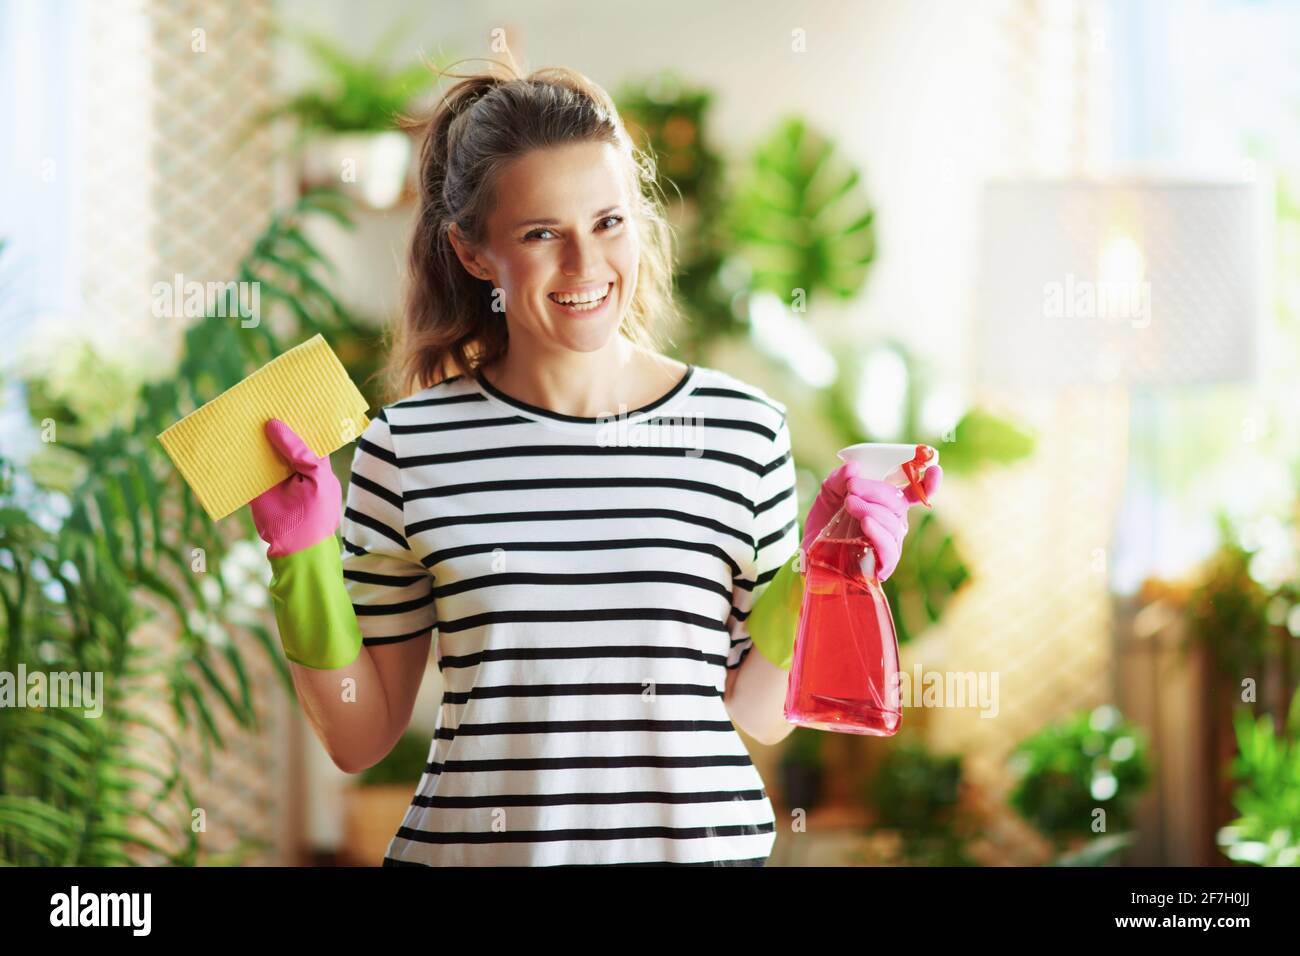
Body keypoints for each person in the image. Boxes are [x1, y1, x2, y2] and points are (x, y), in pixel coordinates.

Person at [250, 62, 941, 866]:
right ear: (472, 253)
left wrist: (821, 567)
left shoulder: (740, 430)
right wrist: (299, 560)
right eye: (541, 233)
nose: (584, 265)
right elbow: (359, 737)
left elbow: (759, 709)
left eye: (608, 221)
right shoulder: (408, 448)